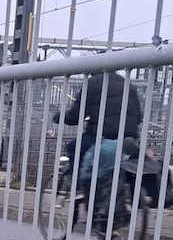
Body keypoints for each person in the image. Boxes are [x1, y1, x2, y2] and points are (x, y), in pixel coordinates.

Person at [56, 71, 143, 212]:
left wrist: (60, 117)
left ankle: (79, 188)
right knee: (122, 163)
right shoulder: (127, 84)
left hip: (102, 135)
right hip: (128, 137)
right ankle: (135, 198)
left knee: (74, 148)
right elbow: (139, 116)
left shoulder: (93, 83)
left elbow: (76, 115)